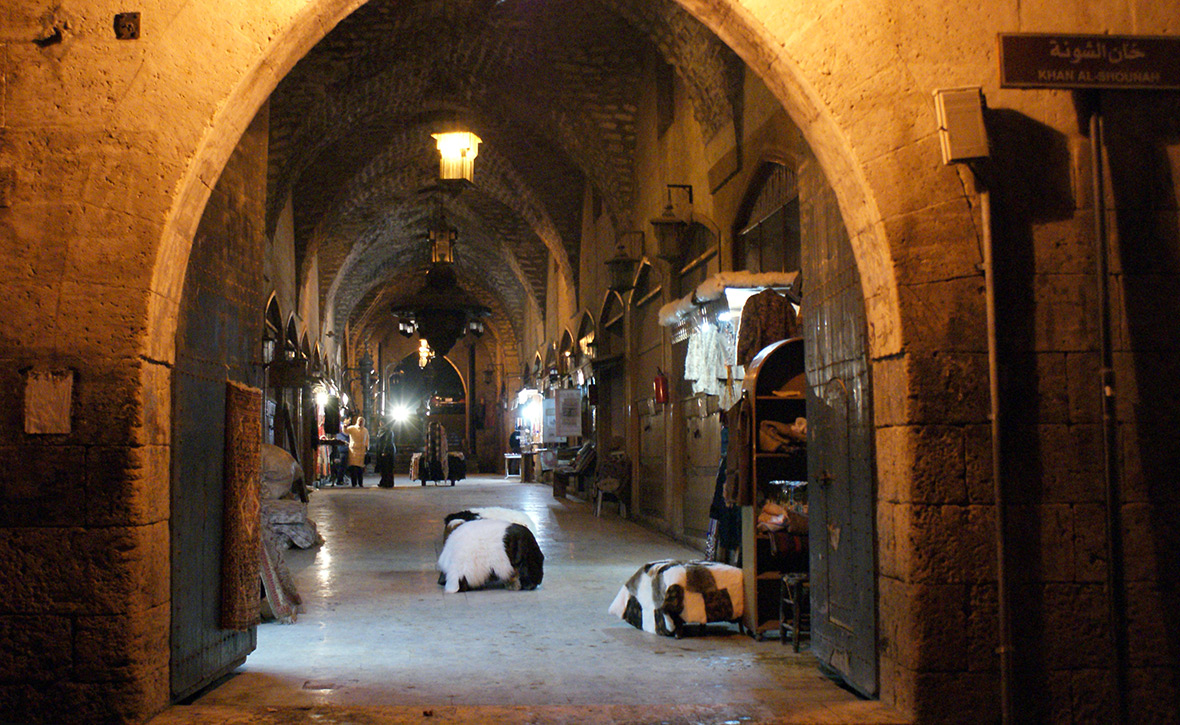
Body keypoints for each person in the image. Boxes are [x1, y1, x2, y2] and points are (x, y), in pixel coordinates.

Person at [343, 416, 369, 487]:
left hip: (361, 450)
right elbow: (345, 431)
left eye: (362, 422)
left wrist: (366, 448)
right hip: (353, 450)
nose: (360, 423)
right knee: (353, 467)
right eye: (359, 421)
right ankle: (354, 483)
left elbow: (367, 439)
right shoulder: (352, 428)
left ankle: (360, 483)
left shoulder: (365, 430)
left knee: (360, 468)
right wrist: (345, 426)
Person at [374, 421, 397, 488]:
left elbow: (388, 442)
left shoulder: (389, 432)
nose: (380, 424)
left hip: (387, 452)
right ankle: (383, 481)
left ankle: (388, 482)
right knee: (383, 467)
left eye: (382, 423)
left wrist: (385, 451)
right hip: (381, 451)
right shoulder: (380, 432)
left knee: (387, 468)